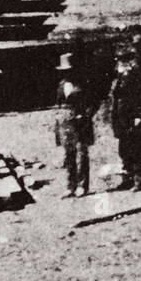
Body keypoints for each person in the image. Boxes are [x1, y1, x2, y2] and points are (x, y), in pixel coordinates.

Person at [108, 51, 141, 189]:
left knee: (136, 149)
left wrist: (139, 116)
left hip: (131, 117)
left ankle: (140, 180)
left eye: (121, 62)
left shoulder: (133, 76)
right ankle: (128, 179)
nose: (118, 64)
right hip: (121, 118)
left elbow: (140, 97)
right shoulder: (120, 77)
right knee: (124, 149)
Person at [54, 56, 94, 198]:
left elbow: (92, 104)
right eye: (65, 71)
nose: (67, 73)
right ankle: (70, 185)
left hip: (80, 122)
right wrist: (58, 122)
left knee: (81, 154)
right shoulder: (61, 84)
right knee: (68, 154)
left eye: (69, 70)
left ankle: (82, 186)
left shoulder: (83, 85)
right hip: (65, 123)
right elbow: (58, 105)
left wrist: (85, 116)